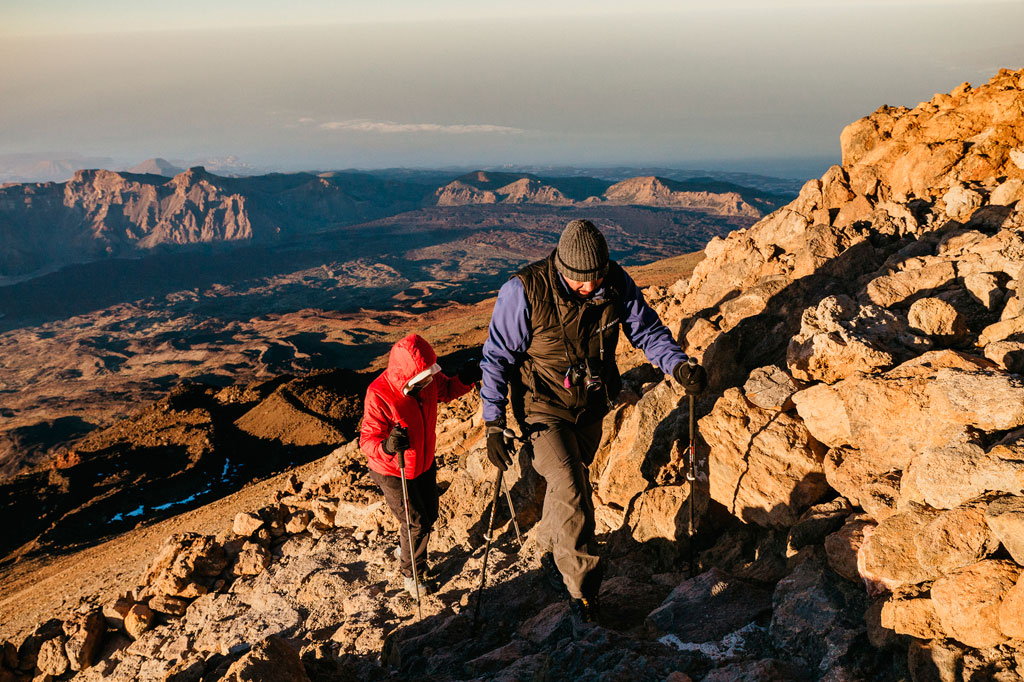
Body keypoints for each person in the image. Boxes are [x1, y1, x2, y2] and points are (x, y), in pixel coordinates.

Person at [480, 219, 707, 622]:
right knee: (571, 483)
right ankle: (582, 593)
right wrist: (493, 422)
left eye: (598, 277)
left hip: (590, 406)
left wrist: (678, 366)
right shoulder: (524, 292)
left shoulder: (614, 283)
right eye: (583, 281)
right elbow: (497, 359)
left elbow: (647, 332)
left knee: (572, 476)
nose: (592, 287)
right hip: (542, 409)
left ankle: (551, 553)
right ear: (563, 269)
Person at [360, 333, 481, 596]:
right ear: (407, 375)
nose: (428, 382)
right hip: (393, 469)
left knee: (430, 514)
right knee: (416, 523)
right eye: (422, 378)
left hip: (423, 462)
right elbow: (367, 440)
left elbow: (447, 390)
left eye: (429, 375)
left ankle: (407, 549)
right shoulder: (379, 394)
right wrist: (388, 446)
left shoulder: (427, 378)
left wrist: (465, 379)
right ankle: (412, 573)